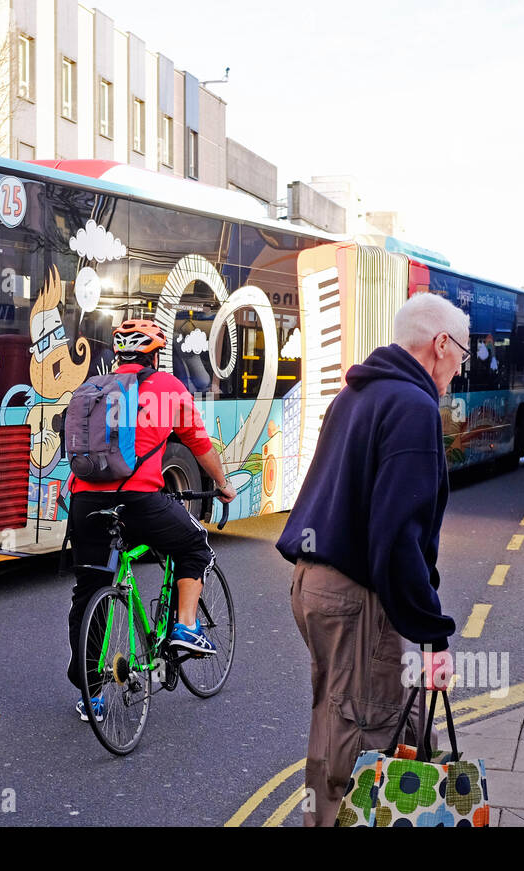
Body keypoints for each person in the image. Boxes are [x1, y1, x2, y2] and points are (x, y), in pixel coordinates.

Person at [276, 292, 464, 828]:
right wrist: (431, 635)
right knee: (365, 737)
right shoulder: (412, 405)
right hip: (356, 593)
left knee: (336, 723)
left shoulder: (356, 395)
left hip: (315, 584)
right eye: (461, 356)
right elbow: (398, 535)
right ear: (440, 343)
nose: (458, 369)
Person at [66, 318, 236, 721]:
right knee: (194, 544)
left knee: (90, 590)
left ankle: (91, 692)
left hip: (85, 500)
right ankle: (186, 628)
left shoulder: (91, 389)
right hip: (140, 501)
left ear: (118, 353)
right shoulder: (169, 388)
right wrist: (222, 483)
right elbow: (199, 444)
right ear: (155, 354)